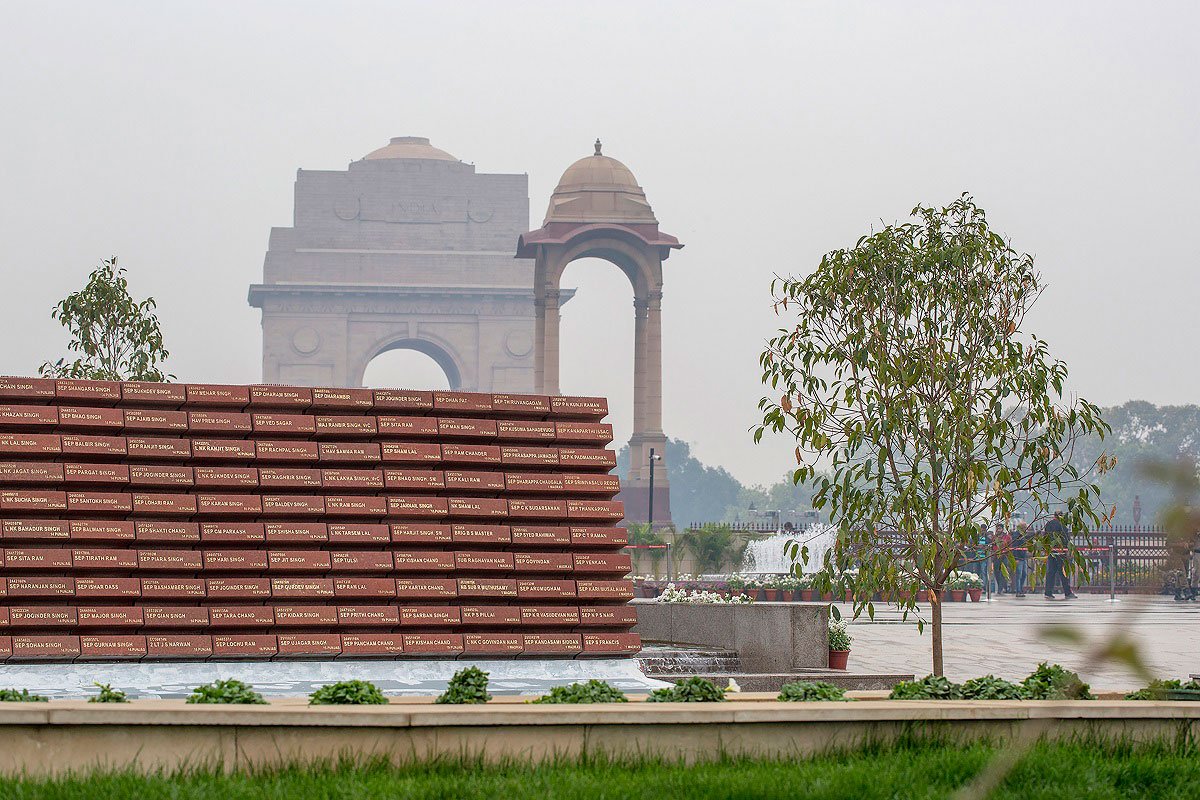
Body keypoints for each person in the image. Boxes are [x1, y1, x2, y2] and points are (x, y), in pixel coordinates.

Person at [1044, 511, 1078, 600]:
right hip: (1061, 551)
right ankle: (1068, 592)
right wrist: (1067, 549)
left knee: (1051, 572)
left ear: (1054, 515)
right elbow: (1065, 538)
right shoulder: (1062, 525)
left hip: (1051, 551)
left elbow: (1045, 536)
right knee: (1063, 572)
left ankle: (1048, 592)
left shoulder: (1049, 524)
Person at [992, 520, 1011, 594]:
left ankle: (1000, 588)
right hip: (996, 556)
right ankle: (1001, 586)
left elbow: (1009, 546)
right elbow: (992, 546)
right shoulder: (994, 537)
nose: (998, 530)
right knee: (996, 572)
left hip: (1004, 556)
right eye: (997, 528)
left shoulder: (1007, 537)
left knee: (1003, 573)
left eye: (999, 528)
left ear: (1002, 529)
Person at [1011, 521, 1030, 597]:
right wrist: (1016, 558)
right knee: (1019, 574)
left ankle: (1021, 589)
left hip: (1023, 557)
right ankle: (1018, 590)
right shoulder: (1016, 535)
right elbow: (1014, 547)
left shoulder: (1023, 535)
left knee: (1024, 574)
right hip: (1019, 557)